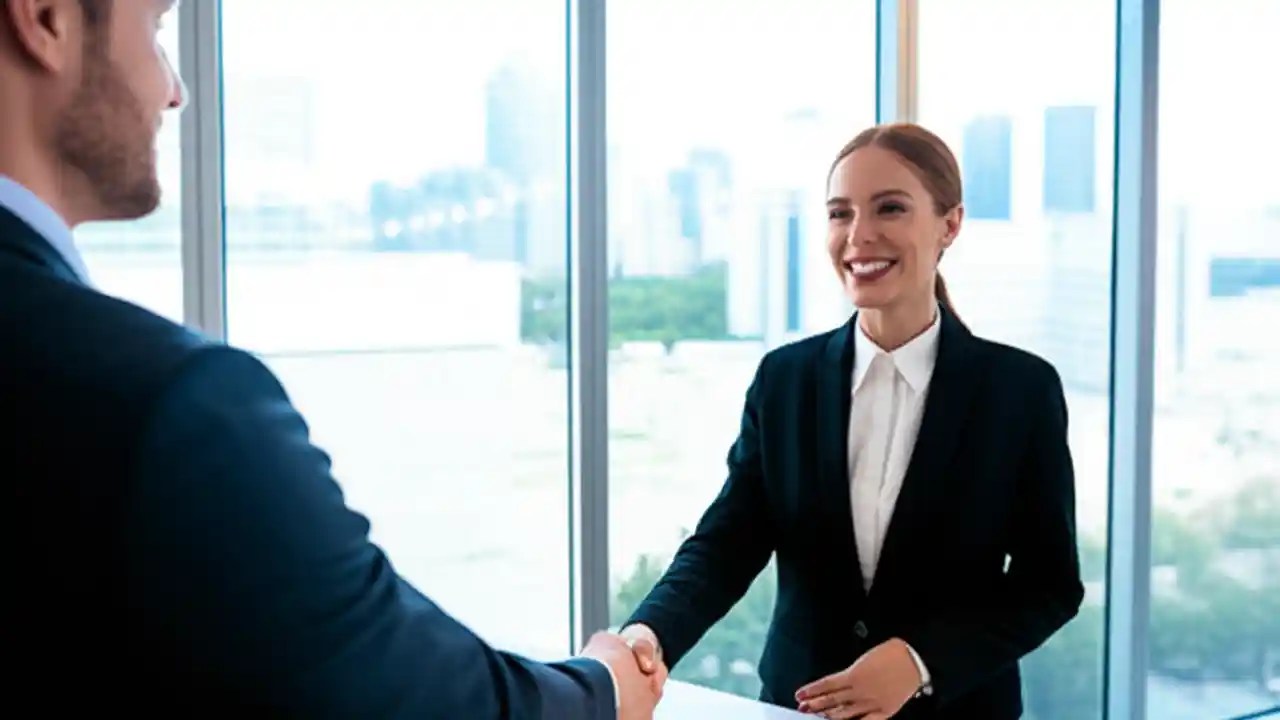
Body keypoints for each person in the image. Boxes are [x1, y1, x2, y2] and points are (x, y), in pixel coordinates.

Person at [0, 1, 659, 717]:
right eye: (157, 26)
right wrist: (603, 688)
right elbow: (402, 686)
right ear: (46, 17)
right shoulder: (170, 404)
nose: (175, 90)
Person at [618, 122, 1085, 719]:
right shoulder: (785, 381)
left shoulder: (1019, 391)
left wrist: (919, 661)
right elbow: (727, 543)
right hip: (800, 710)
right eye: (840, 213)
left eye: (889, 208)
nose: (859, 235)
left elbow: (1049, 584)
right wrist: (649, 634)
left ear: (949, 225)